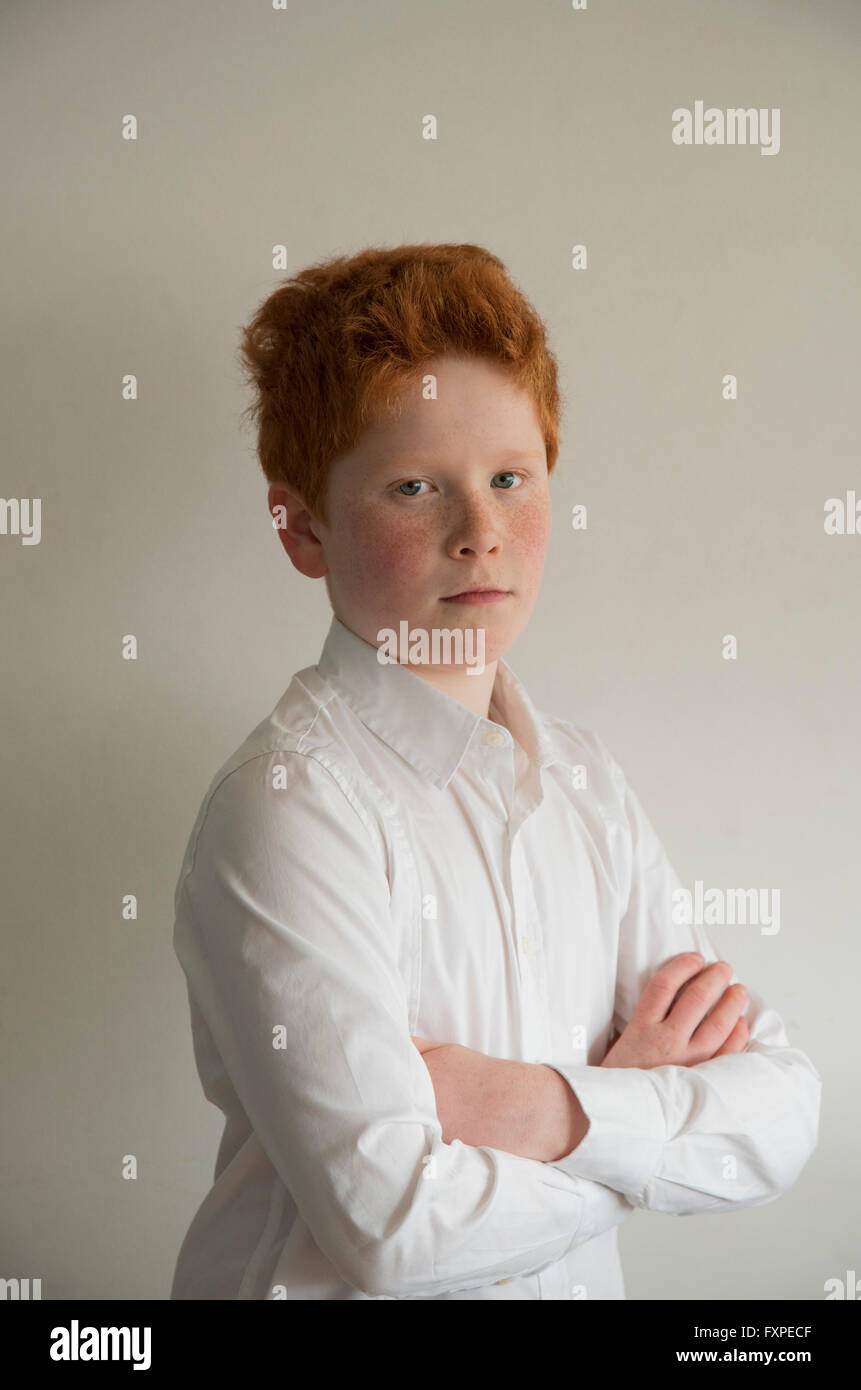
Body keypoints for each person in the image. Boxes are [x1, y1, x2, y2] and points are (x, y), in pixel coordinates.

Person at [169, 242, 820, 1300]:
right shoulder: (285, 806)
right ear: (304, 530)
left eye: (510, 478)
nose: (481, 534)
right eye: (416, 487)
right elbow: (398, 1229)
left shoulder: (585, 783)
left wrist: (534, 1108)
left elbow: (782, 1114)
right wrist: (632, 1117)